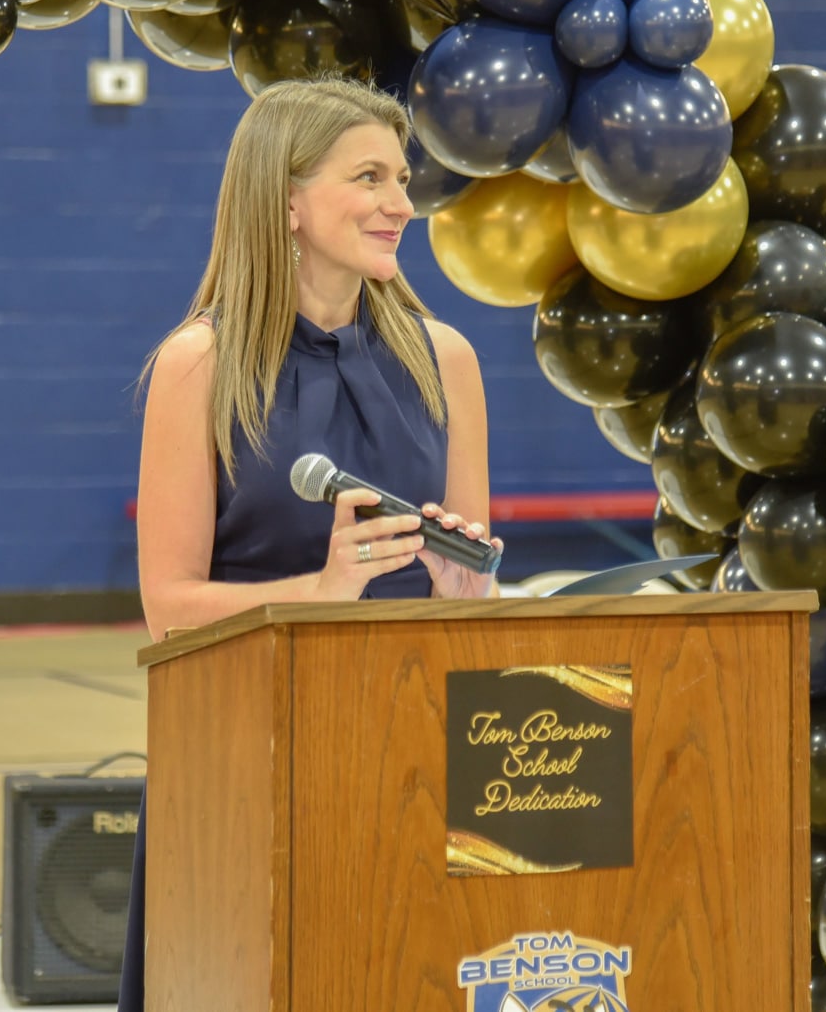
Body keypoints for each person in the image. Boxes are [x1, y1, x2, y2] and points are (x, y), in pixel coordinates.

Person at [117, 77, 501, 1012]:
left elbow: (476, 595)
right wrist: (317, 594)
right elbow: (169, 607)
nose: (401, 204)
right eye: (369, 177)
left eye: (402, 178)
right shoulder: (197, 365)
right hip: (250, 757)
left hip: (415, 757)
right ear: (284, 199)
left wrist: (464, 587)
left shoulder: (446, 356)